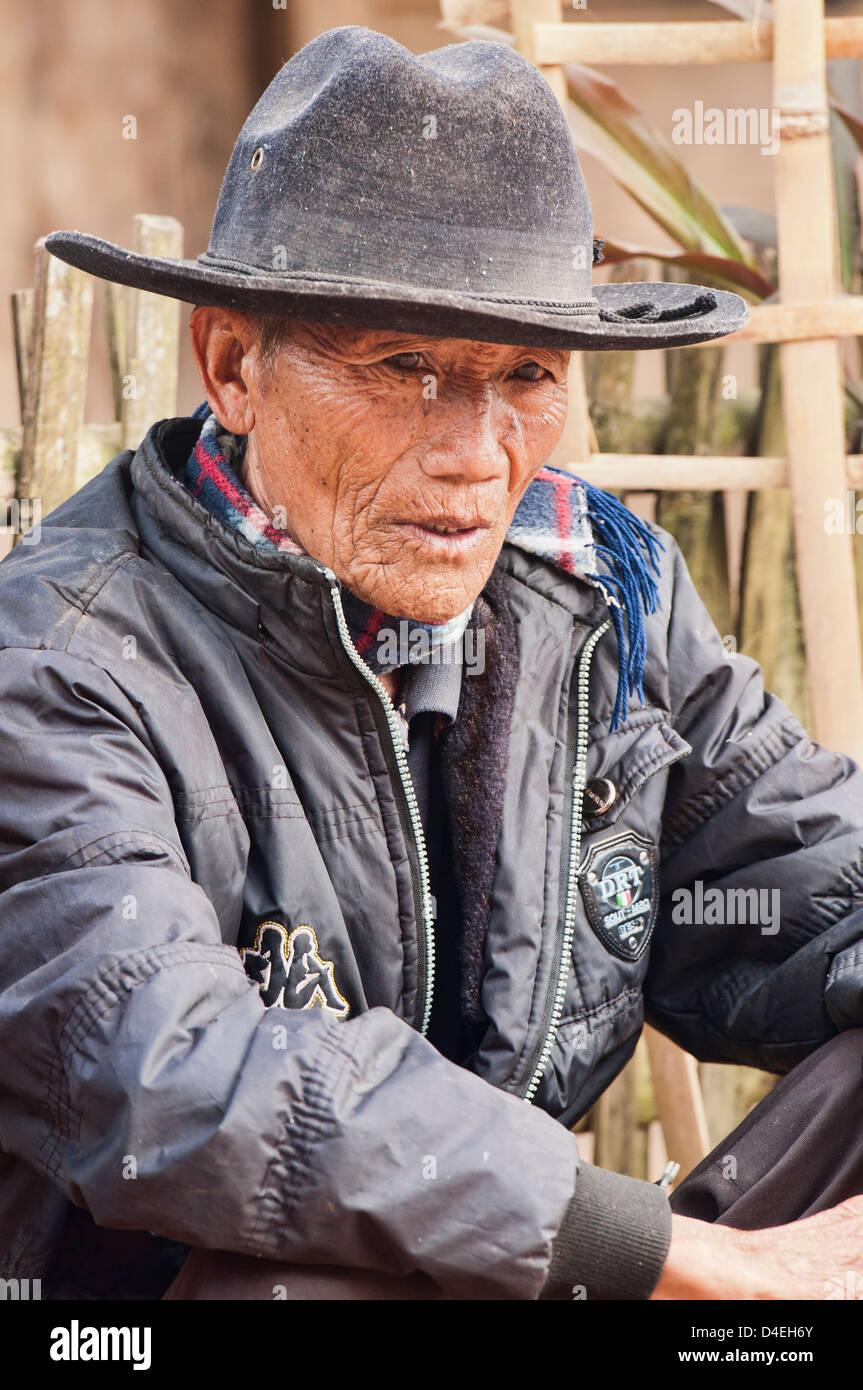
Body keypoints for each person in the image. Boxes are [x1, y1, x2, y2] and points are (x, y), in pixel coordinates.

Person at [1, 25, 861, 1302]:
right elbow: (175, 1074)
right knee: (309, 1261)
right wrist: (669, 1255)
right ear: (233, 368)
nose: (475, 454)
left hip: (523, 1284)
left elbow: (810, 883)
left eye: (524, 374)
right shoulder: (60, 666)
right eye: (405, 367)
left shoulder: (592, 602)